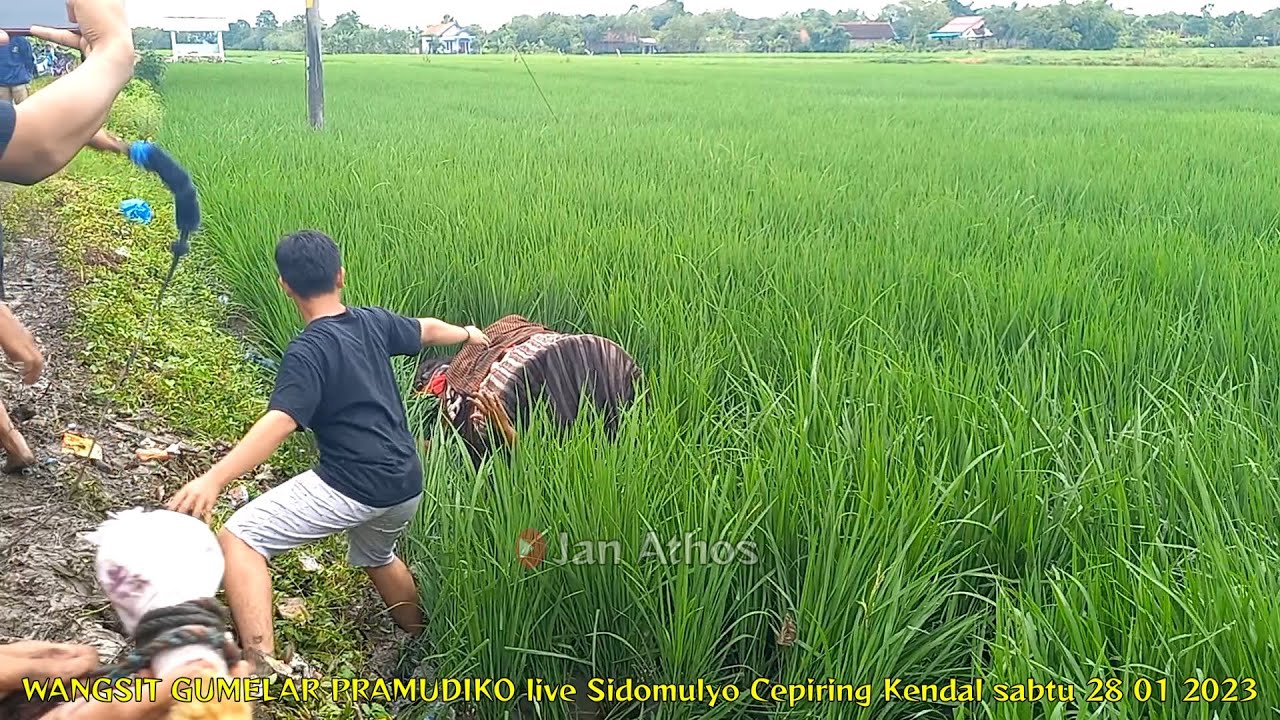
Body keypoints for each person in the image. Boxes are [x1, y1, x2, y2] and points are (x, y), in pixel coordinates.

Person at [166, 229, 491, 671]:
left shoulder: (307, 350)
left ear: (285, 286)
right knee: (378, 555)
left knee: (241, 538)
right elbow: (429, 330)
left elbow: (281, 420)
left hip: (355, 483)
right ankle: (424, 643)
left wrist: (213, 479)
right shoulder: (374, 322)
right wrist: (468, 333)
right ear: (341, 275)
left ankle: (258, 665)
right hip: (406, 481)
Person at [414, 314, 643, 467]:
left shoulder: (455, 390)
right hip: (548, 358)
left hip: (531, 355)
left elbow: (536, 466)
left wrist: (504, 429)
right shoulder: (457, 388)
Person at [0, 0, 135, 186]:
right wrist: (114, 52)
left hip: (18, 80)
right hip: (4, 80)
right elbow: (32, 148)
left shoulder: (21, 43)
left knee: (19, 108)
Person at [0, 35, 36, 104]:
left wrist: (27, 75)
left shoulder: (20, 40)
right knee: (5, 109)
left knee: (24, 107)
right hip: (2, 83)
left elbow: (29, 59)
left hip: (19, 81)